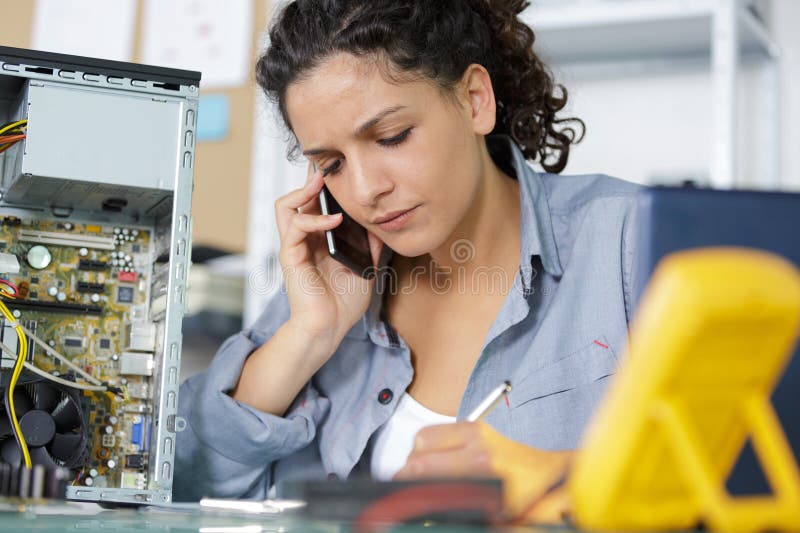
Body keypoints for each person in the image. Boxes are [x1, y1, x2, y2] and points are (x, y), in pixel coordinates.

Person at [174, 0, 640, 523]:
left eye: (391, 137)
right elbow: (176, 486)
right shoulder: (333, 283)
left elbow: (736, 477)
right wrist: (308, 336)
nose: (368, 190)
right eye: (331, 165)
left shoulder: (626, 240)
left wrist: (553, 479)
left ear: (474, 100)